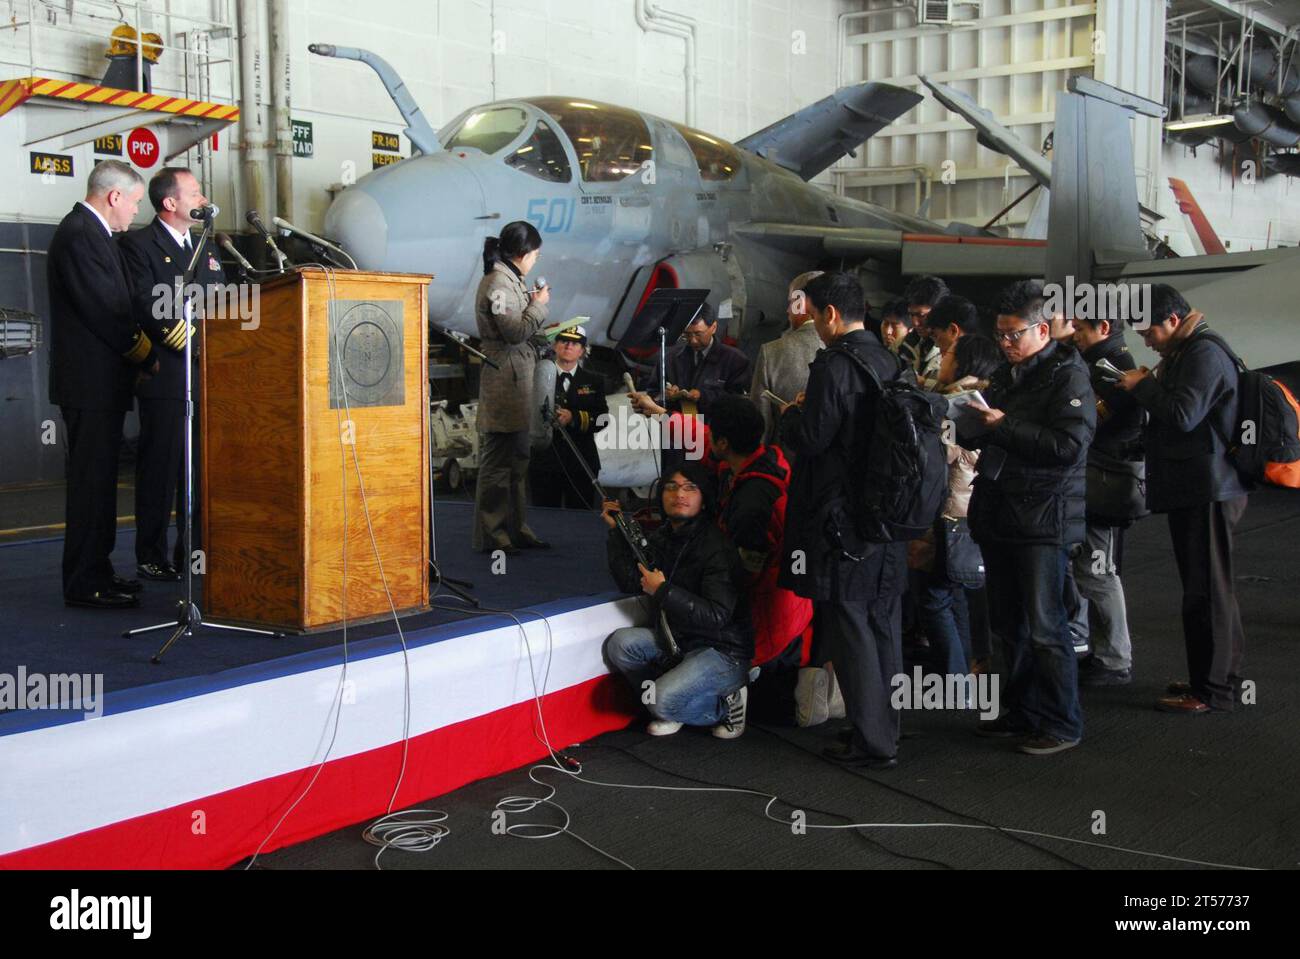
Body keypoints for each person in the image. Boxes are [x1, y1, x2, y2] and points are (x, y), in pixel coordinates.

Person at [778, 272, 907, 769]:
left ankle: (871, 739)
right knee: (882, 626)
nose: (812, 323)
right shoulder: (888, 359)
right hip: (888, 516)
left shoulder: (834, 366)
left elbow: (812, 440)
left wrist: (794, 414)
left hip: (843, 519)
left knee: (850, 627)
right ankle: (886, 730)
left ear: (830, 314)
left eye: (813, 314)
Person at [966, 280, 1095, 756]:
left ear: (1043, 330)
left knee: (1046, 626)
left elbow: (1069, 447)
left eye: (1013, 334)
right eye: (1000, 334)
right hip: (1002, 509)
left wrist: (1005, 426)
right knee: (1009, 624)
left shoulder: (1069, 377)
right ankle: (1021, 713)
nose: (1004, 343)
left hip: (1044, 516)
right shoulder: (1009, 372)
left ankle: (1061, 722)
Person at [1116, 285, 1248, 714]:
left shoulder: (1204, 353)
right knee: (1207, 588)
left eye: (1148, 330)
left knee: (1207, 590)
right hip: (1202, 485)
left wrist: (1140, 386)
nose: (1145, 339)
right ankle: (1212, 679)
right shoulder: (1191, 351)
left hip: (1208, 488)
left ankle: (1213, 690)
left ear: (1173, 321)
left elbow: (1182, 414)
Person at [47, 160, 159, 609]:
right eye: (133, 203)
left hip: (102, 385)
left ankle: (100, 569)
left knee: (100, 483)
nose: (134, 212)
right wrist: (147, 354)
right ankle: (84, 581)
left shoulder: (95, 235)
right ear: (114, 196)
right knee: (91, 485)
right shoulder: (79, 234)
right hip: (88, 386)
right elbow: (107, 312)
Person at [119, 167, 224, 582]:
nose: (202, 200)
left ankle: (192, 552)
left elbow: (224, 298)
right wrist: (193, 337)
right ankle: (151, 553)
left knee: (200, 471)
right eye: (195, 193)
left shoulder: (207, 247)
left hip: (207, 375)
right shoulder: (138, 244)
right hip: (166, 371)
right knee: (161, 468)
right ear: (170, 203)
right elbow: (145, 302)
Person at [602, 461, 753, 739]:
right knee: (620, 645)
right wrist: (616, 533)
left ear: (703, 498)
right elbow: (629, 582)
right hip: (679, 642)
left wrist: (663, 591)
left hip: (721, 651)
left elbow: (717, 616)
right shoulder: (662, 537)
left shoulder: (716, 547)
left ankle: (726, 703)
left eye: (689, 488)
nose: (678, 494)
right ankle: (673, 705)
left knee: (656, 699)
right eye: (671, 487)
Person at [708, 395, 813, 721]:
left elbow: (746, 570)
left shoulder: (752, 496)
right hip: (795, 597)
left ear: (723, 442)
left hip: (769, 608)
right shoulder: (773, 462)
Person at [915, 334, 1001, 683]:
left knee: (934, 596)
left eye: (948, 354)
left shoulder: (957, 402)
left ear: (963, 363)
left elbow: (944, 454)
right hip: (971, 508)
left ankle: (953, 678)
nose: (942, 360)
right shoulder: (991, 395)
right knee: (959, 594)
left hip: (948, 511)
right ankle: (964, 672)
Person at [1070, 309, 1145, 686]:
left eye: (1080, 329)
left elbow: (1092, 423)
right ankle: (1106, 654)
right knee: (1092, 569)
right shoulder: (1107, 363)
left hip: (1101, 481)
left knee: (1098, 572)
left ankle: (1114, 659)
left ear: (1102, 328)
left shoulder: (1111, 368)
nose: (1074, 334)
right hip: (1100, 478)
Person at [473, 221, 551, 554]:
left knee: (518, 460)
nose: (536, 260)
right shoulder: (499, 285)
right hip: (504, 380)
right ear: (523, 253)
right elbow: (515, 332)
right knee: (497, 464)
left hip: (517, 379)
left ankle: (516, 529)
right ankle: (494, 535)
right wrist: (539, 304)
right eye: (535, 254)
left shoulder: (510, 279)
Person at [528, 326, 608, 509]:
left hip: (581, 462)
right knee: (544, 517)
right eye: (564, 341)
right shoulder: (536, 376)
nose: (568, 346)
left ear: (582, 350)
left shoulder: (594, 380)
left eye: (575, 343)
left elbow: (603, 419)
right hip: (545, 461)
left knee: (581, 520)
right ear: (555, 345)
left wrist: (574, 418)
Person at [748, 270, 825, 449]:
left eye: (791, 303)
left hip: (783, 466)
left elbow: (760, 424)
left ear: (801, 303)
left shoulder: (771, 352)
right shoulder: (847, 351)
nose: (787, 310)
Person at [652, 302, 750, 418]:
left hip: (715, 431)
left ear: (713, 328)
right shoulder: (670, 359)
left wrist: (703, 396)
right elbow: (651, 392)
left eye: (698, 334)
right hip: (677, 430)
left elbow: (740, 403)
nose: (693, 340)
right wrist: (664, 395)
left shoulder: (736, 361)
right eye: (687, 335)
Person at [899, 275, 948, 384]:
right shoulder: (901, 345)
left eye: (922, 315)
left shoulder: (956, 350)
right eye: (911, 315)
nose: (915, 323)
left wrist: (923, 383)